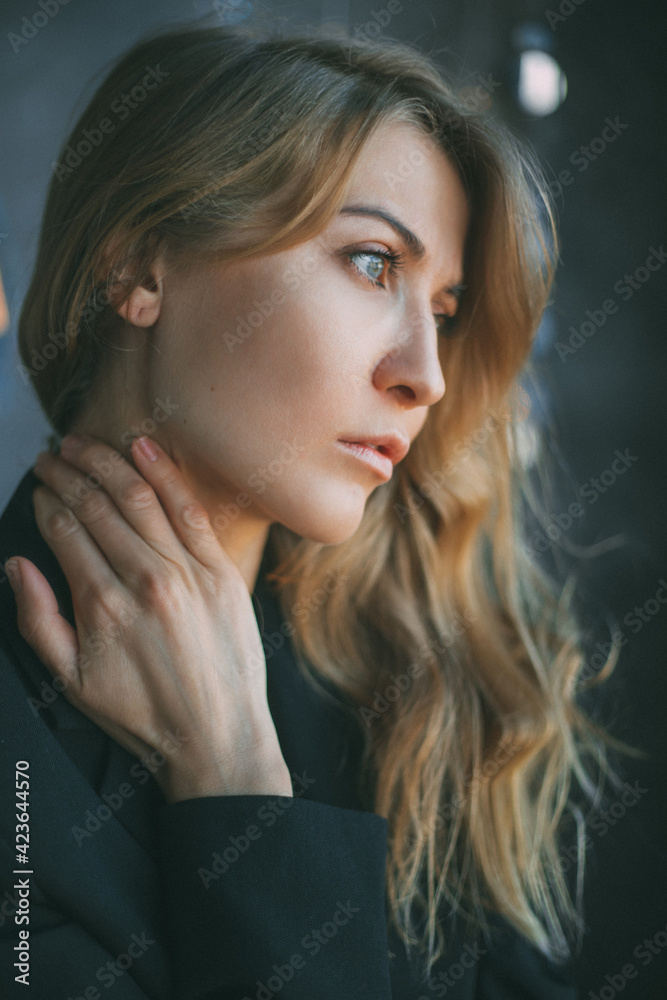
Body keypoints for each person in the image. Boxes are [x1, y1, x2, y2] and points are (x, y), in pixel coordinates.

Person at [0, 19, 631, 999]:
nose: (424, 375)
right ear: (138, 269)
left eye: (447, 309)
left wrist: (236, 770)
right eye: (375, 262)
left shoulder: (423, 711)